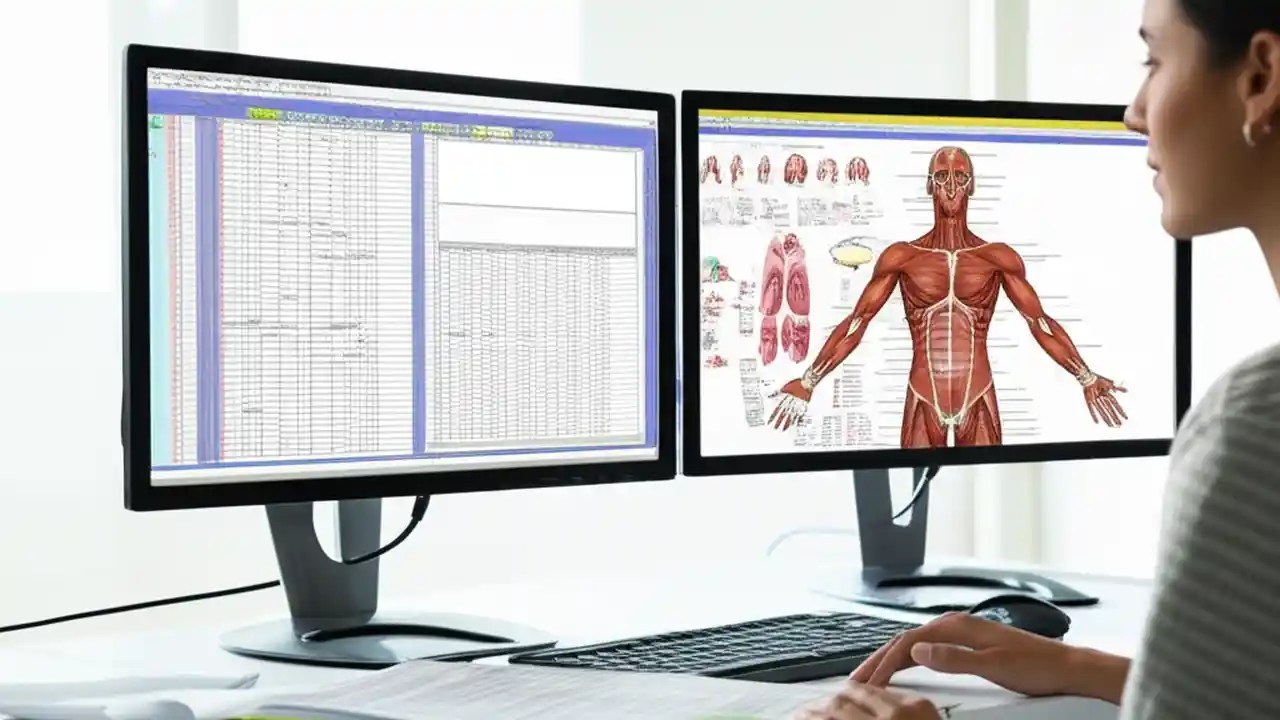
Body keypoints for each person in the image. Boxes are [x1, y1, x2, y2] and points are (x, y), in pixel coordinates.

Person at [797, 0, 1280, 717]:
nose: (1135, 112)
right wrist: (1092, 668)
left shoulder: (1256, 426)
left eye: (1153, 59)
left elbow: (1040, 320)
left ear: (1261, 78)